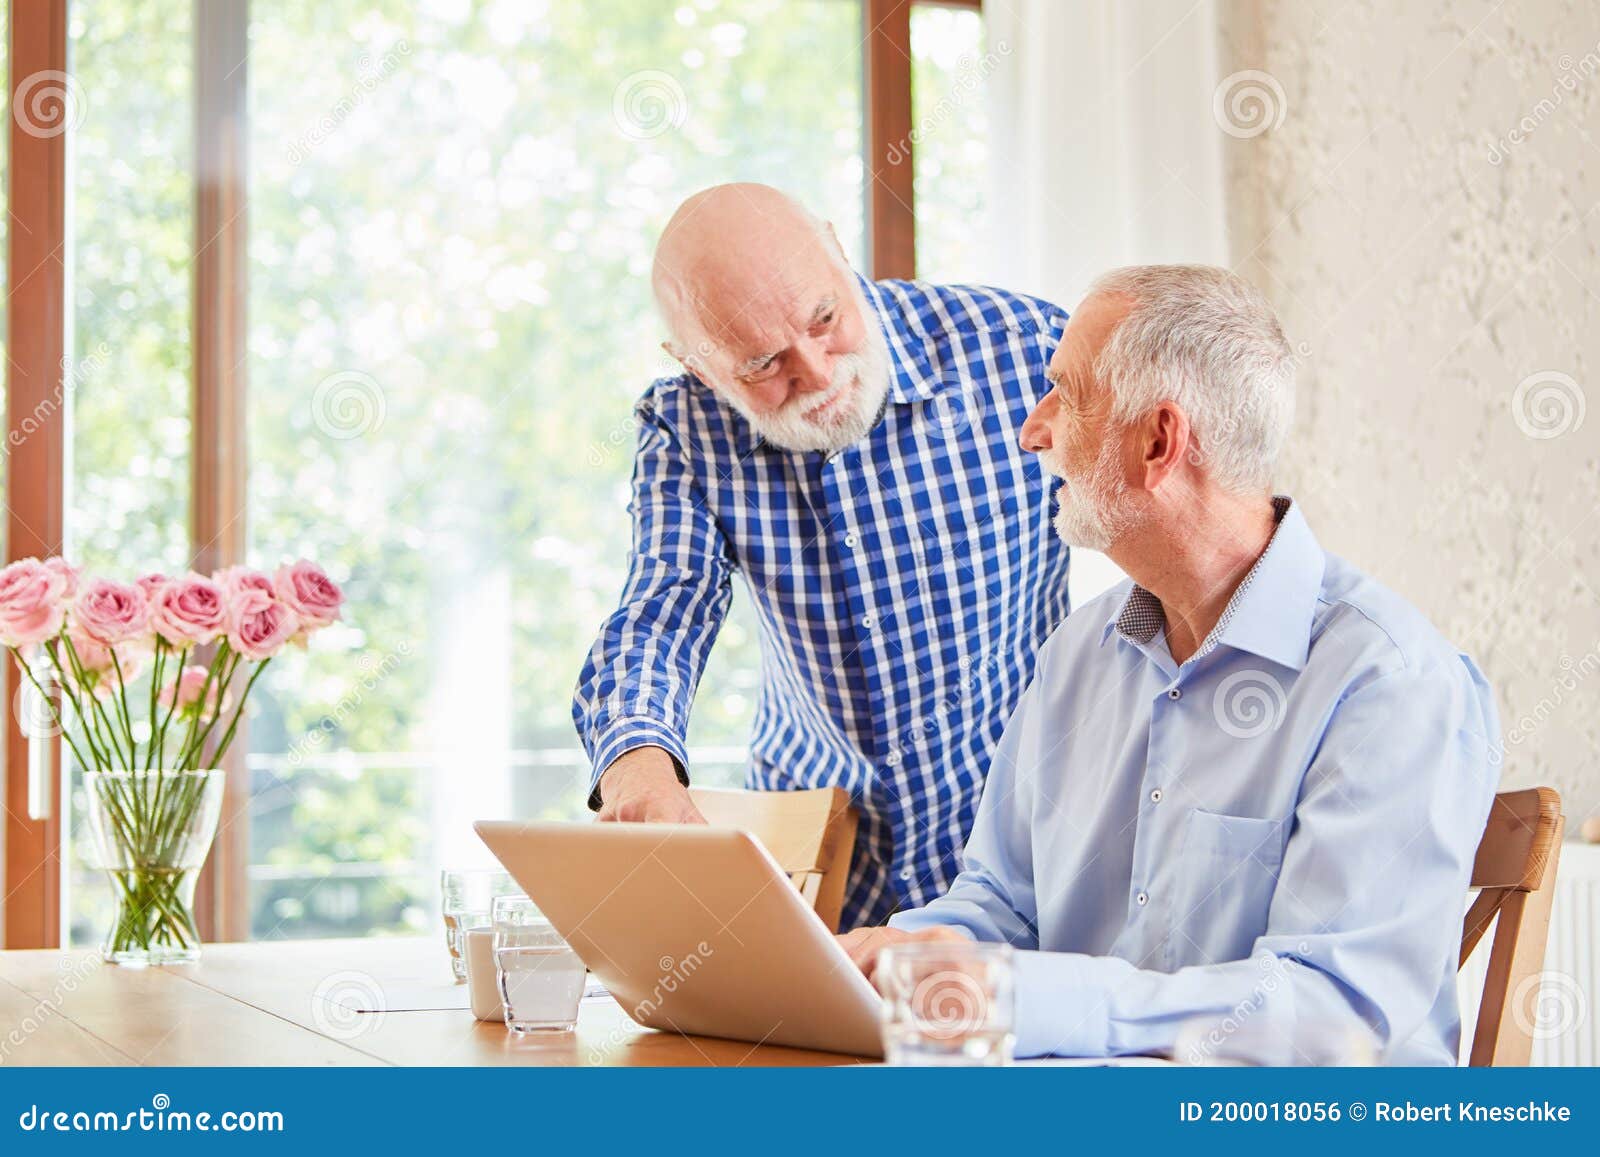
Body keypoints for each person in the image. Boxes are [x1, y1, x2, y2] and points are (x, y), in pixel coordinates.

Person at [840, 265, 1500, 1064]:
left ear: (1158, 441)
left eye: (1065, 393)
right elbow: (998, 903)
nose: (1033, 430)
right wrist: (888, 961)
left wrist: (1025, 998)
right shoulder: (1078, 653)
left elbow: (1329, 1014)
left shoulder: (1392, 682)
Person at [573, 183, 1073, 927]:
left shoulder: (1027, 348)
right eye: (763, 362)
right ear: (700, 367)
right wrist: (637, 763)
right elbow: (661, 610)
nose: (814, 369)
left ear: (839, 253)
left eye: (825, 318)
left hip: (1021, 858)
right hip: (817, 873)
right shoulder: (685, 423)